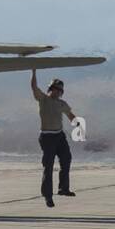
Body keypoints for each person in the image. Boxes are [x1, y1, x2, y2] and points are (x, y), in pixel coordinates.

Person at [31, 70, 79, 207]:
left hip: (59, 136)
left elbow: (70, 114)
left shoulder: (61, 103)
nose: (58, 92)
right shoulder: (43, 99)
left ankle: (63, 189)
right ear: (50, 89)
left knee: (66, 159)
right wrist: (33, 71)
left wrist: (78, 125)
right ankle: (47, 196)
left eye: (60, 90)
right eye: (55, 89)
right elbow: (34, 87)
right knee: (49, 166)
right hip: (47, 137)